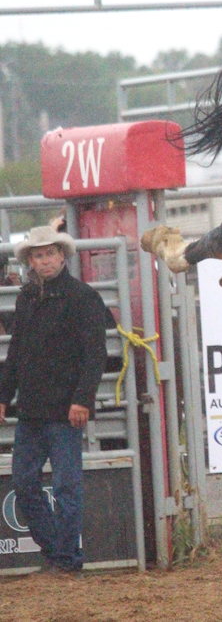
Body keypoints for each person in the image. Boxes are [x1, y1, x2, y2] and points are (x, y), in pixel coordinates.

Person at [0, 225, 109, 576]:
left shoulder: (82, 297)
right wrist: (4, 396)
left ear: (61, 256)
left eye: (49, 253)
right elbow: (16, 352)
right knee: (25, 483)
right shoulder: (27, 297)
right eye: (38, 255)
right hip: (33, 408)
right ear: (31, 261)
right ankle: (60, 555)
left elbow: (95, 354)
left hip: (65, 409)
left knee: (64, 486)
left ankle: (64, 559)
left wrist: (82, 399)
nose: (45, 260)